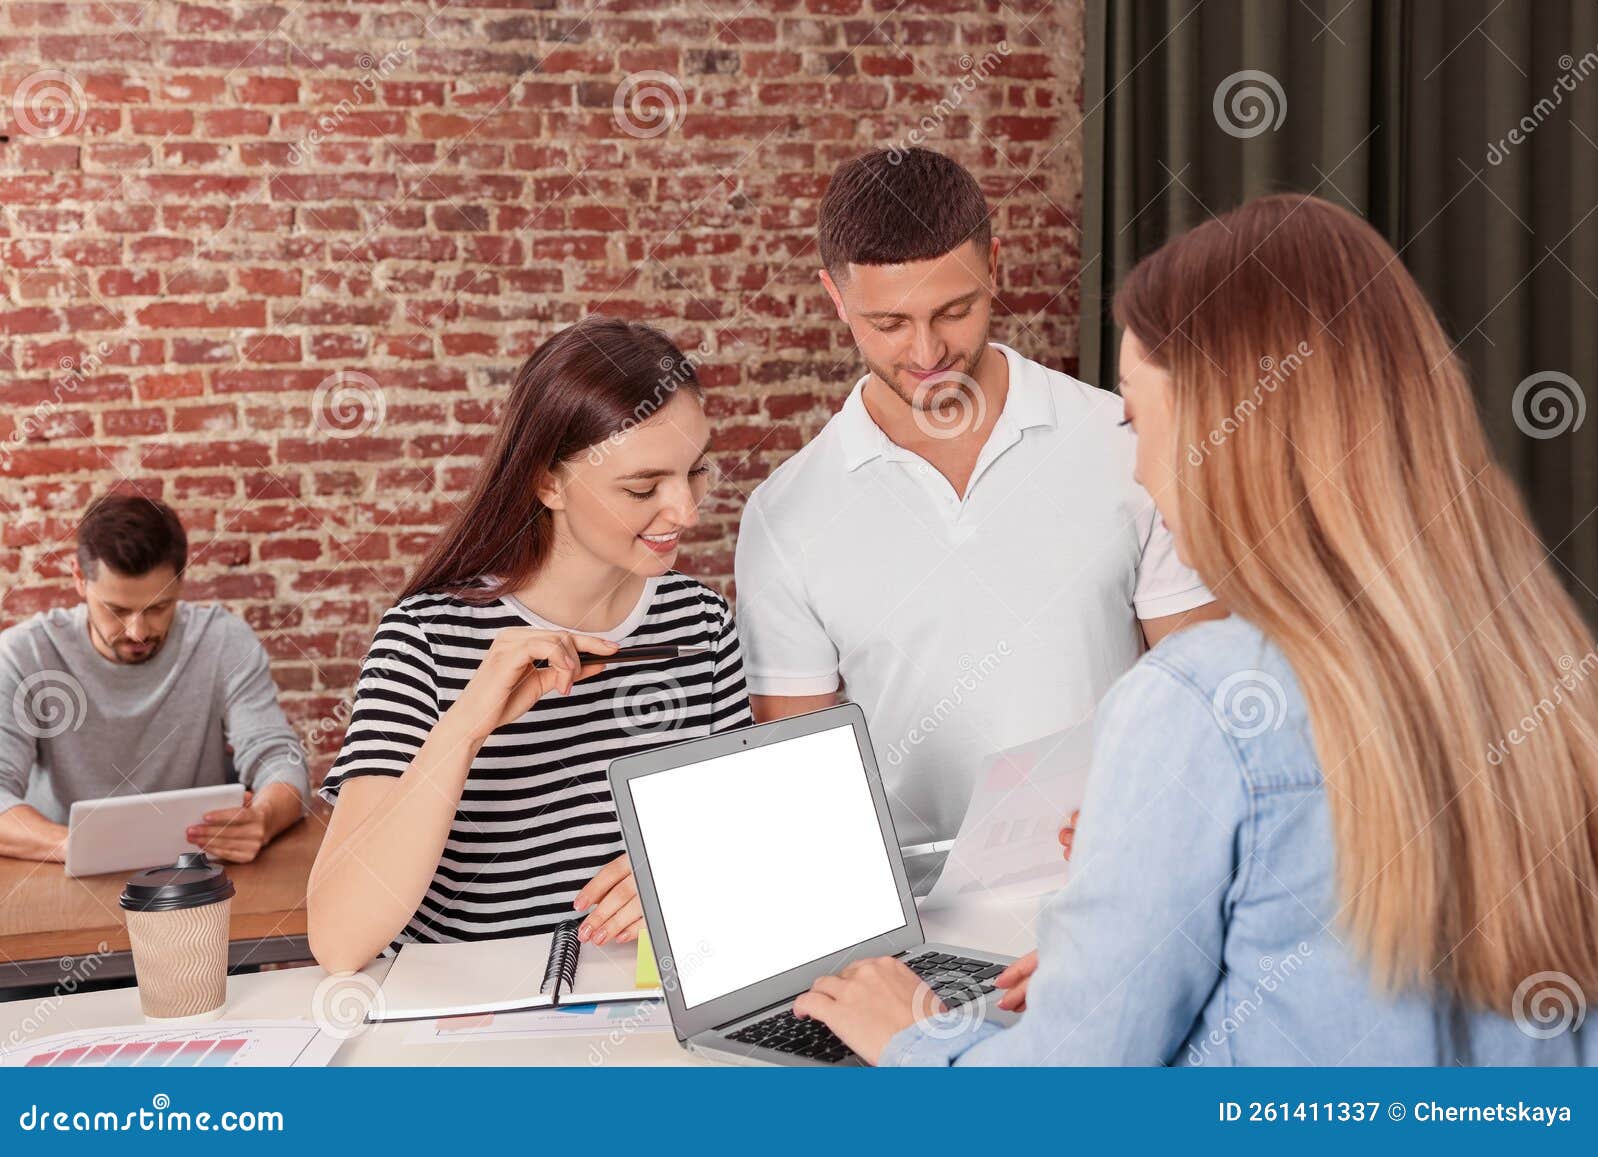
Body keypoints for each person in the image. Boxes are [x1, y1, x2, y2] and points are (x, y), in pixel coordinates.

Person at [793, 194, 1598, 1066]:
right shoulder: (1536, 654)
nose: (1139, 469)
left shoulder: (1204, 699)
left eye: (1141, 421)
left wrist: (916, 1032)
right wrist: (1105, 965)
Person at [734, 147, 1223, 864]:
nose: (927, 350)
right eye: (889, 323)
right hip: (917, 914)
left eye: (955, 310)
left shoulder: (1125, 441)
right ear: (836, 299)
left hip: (1115, 874)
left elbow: (1204, 689)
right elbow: (799, 784)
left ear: (995, 266)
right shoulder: (786, 516)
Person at [308, 316, 752, 973]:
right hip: (468, 1029)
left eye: (695, 473)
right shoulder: (424, 639)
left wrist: (694, 866)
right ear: (547, 483)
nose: (686, 510)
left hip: (643, 1015)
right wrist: (464, 729)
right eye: (643, 486)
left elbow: (745, 854)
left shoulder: (704, 625)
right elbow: (340, 940)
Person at [0, 493, 308, 863]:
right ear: (79, 579)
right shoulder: (25, 654)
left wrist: (264, 817)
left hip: (194, 874)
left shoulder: (222, 641)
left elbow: (279, 757)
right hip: (61, 874)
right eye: (117, 610)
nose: (138, 631)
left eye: (159, 607)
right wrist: (83, 848)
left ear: (180, 582)